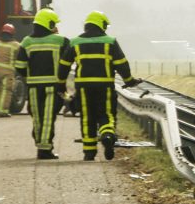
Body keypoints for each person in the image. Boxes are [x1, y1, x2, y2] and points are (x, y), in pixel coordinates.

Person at [58, 10, 138, 160]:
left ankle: (89, 152)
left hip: (83, 88)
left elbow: (63, 65)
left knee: (87, 117)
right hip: (105, 86)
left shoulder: (75, 42)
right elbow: (121, 64)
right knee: (106, 114)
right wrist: (129, 80)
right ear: (101, 25)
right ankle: (107, 135)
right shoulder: (111, 41)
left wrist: (61, 85)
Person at [14, 8, 69, 159]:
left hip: (33, 87)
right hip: (53, 85)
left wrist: (30, 76)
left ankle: (41, 144)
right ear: (49, 23)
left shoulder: (26, 41)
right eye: (54, 24)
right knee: (48, 117)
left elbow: (19, 66)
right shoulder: (61, 40)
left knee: (37, 117)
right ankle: (45, 149)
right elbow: (68, 62)